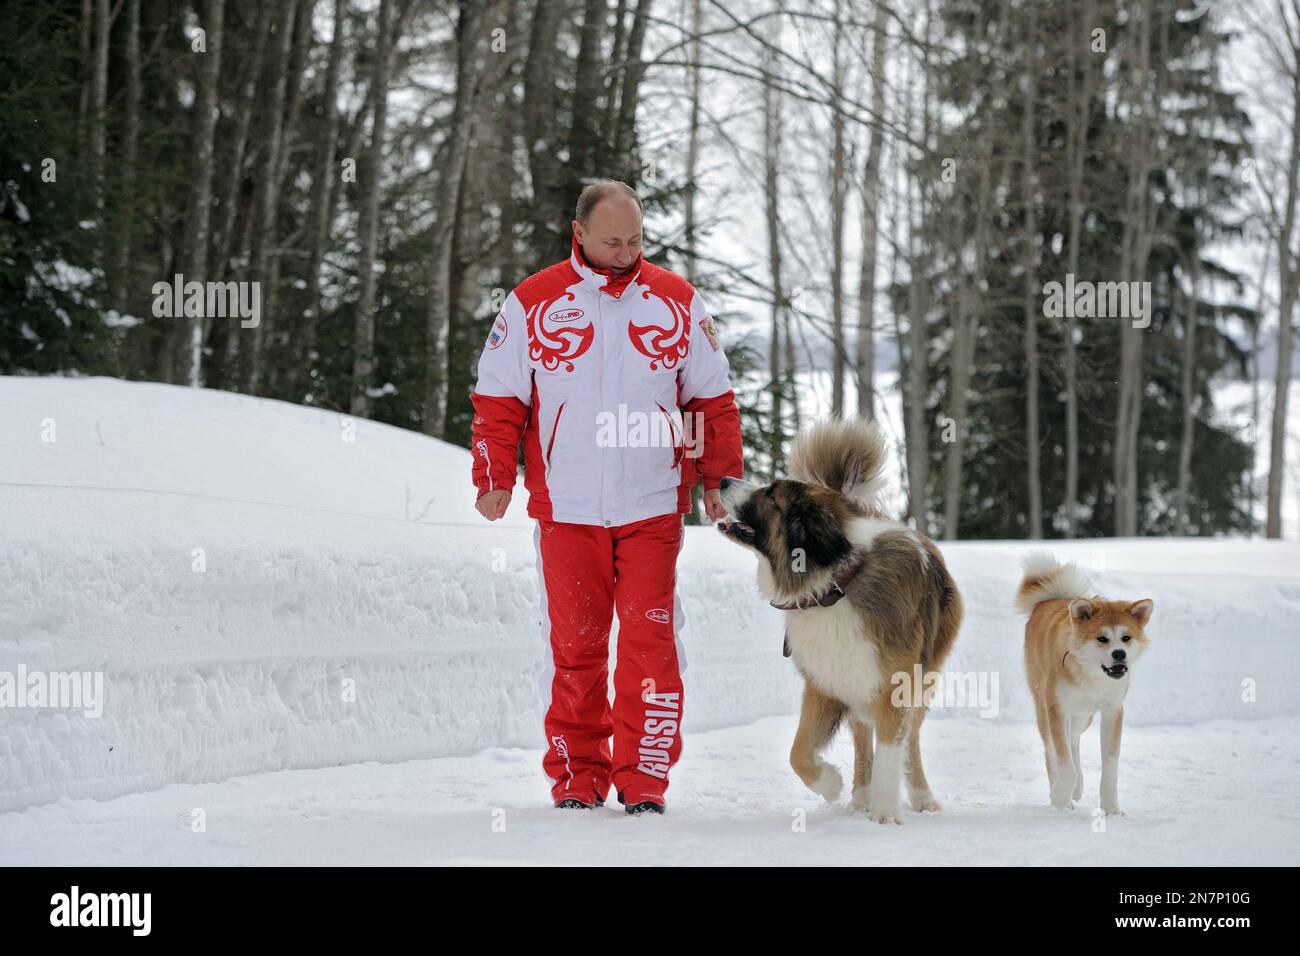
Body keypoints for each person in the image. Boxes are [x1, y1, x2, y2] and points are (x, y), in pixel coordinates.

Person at [469, 179, 742, 814]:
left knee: (650, 644)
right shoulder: (533, 302)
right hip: (567, 509)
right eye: (612, 240)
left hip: (650, 507)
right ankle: (578, 776)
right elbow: (499, 397)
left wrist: (717, 480)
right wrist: (494, 476)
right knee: (576, 648)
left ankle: (645, 779)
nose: (625, 252)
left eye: (636, 240)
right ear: (580, 234)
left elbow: (711, 398)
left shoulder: (675, 301)